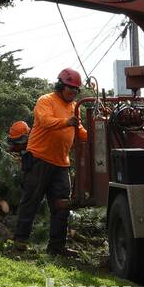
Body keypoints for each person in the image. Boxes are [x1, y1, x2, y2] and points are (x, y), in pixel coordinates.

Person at [13, 68, 88, 256]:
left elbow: (80, 131)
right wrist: (66, 123)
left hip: (61, 164)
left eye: (76, 91)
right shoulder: (45, 101)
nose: (73, 93)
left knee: (61, 206)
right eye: (70, 89)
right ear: (61, 86)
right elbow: (45, 121)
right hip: (39, 159)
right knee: (31, 201)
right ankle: (20, 241)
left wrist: (99, 132)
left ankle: (56, 247)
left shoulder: (73, 108)